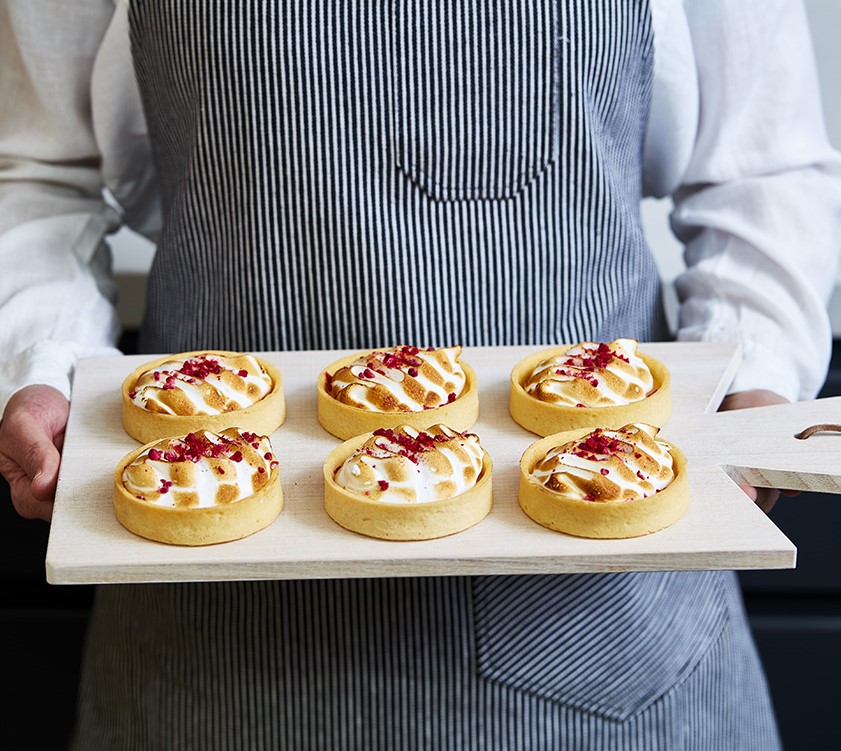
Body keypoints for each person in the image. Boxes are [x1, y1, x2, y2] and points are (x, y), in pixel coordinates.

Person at [2, 0, 840, 748]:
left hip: (609, 621)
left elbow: (759, 167)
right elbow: (40, 171)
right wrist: (42, 360)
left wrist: (754, 379)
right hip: (198, 611)